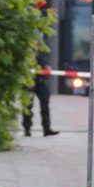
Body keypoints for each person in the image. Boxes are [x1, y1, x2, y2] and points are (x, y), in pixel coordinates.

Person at [23, 9, 58, 138]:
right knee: (27, 104)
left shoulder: (42, 41)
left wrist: (46, 67)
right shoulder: (26, 40)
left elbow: (44, 57)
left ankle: (47, 128)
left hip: (41, 78)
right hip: (29, 77)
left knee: (45, 104)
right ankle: (27, 128)